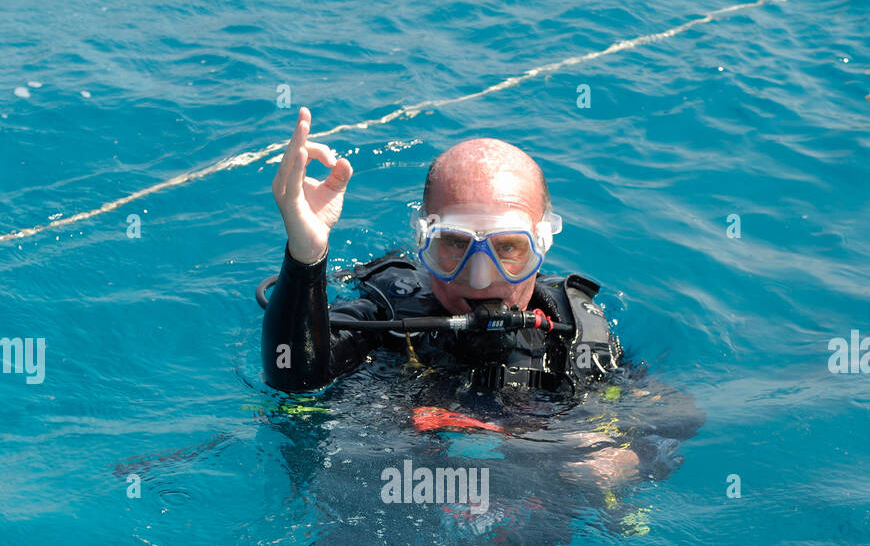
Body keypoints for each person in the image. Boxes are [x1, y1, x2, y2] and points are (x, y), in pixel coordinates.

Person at [259, 106, 700, 488]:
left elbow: (675, 416)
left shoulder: (574, 330)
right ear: (422, 243)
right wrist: (306, 253)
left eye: (508, 247)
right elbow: (291, 376)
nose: (480, 278)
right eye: (454, 244)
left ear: (542, 246)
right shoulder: (389, 312)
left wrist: (629, 458)